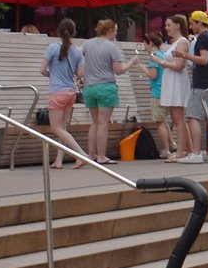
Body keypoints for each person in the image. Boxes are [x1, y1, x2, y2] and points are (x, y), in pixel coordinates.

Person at [80, 19, 138, 165]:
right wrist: (132, 61)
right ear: (110, 30)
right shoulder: (112, 47)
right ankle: (101, 156)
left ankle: (91, 155)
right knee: (103, 123)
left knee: (94, 123)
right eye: (116, 30)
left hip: (89, 87)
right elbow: (119, 71)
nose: (117, 33)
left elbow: (76, 56)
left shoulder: (87, 44)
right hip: (106, 87)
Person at [40, 18, 87, 169]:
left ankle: (81, 154)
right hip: (71, 92)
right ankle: (59, 160)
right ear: (73, 32)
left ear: (59, 32)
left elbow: (42, 70)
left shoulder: (53, 48)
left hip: (57, 92)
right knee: (63, 128)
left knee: (56, 128)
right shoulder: (77, 52)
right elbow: (80, 73)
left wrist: (52, 74)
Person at [180, 10, 208, 163]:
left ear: (199, 23)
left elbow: (204, 59)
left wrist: (184, 55)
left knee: (193, 116)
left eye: (192, 23)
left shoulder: (202, 38)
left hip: (201, 84)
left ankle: (196, 153)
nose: (190, 27)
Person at [160, 14, 193, 162]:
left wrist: (162, 63)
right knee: (177, 118)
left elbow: (180, 66)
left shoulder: (182, 42)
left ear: (177, 25)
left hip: (177, 80)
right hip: (171, 79)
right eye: (166, 25)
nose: (167, 28)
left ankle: (180, 152)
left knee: (179, 119)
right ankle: (189, 149)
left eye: (169, 25)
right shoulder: (175, 42)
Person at [141, 31, 175, 157]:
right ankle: (172, 143)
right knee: (163, 119)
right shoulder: (163, 55)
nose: (144, 47)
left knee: (159, 121)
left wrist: (142, 68)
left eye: (145, 44)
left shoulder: (154, 56)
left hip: (157, 93)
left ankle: (165, 149)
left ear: (150, 43)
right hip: (166, 92)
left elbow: (153, 75)